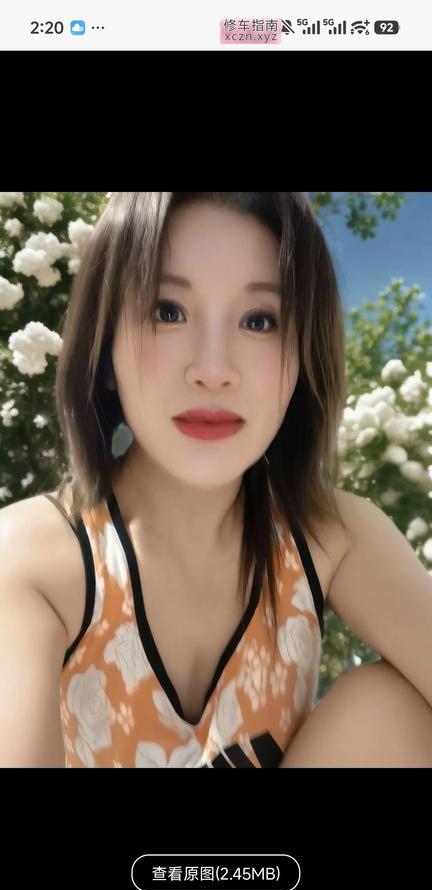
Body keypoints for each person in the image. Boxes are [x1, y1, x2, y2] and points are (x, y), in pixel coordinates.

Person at [1, 192, 431, 768]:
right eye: (167, 311)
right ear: (104, 346)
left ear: (303, 357)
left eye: (259, 321)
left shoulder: (332, 539)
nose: (212, 370)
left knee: (390, 708)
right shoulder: (31, 561)